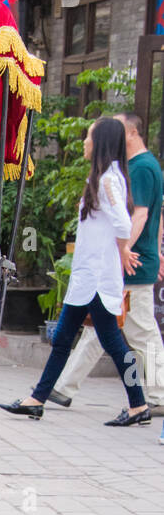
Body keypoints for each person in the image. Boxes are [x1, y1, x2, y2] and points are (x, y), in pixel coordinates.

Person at [0, 116, 147, 426]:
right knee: (68, 339)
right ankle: (37, 399)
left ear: (102, 143)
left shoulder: (107, 180)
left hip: (94, 280)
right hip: (88, 278)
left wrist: (122, 249)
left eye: (89, 136)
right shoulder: (107, 177)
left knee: (112, 345)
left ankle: (137, 405)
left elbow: (122, 222)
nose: (84, 142)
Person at [49, 112, 164, 416]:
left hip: (126, 265)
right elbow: (157, 213)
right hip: (124, 261)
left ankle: (157, 392)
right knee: (99, 331)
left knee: (138, 332)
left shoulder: (138, 169)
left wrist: (123, 250)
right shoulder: (136, 168)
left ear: (130, 132)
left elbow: (136, 216)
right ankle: (61, 387)